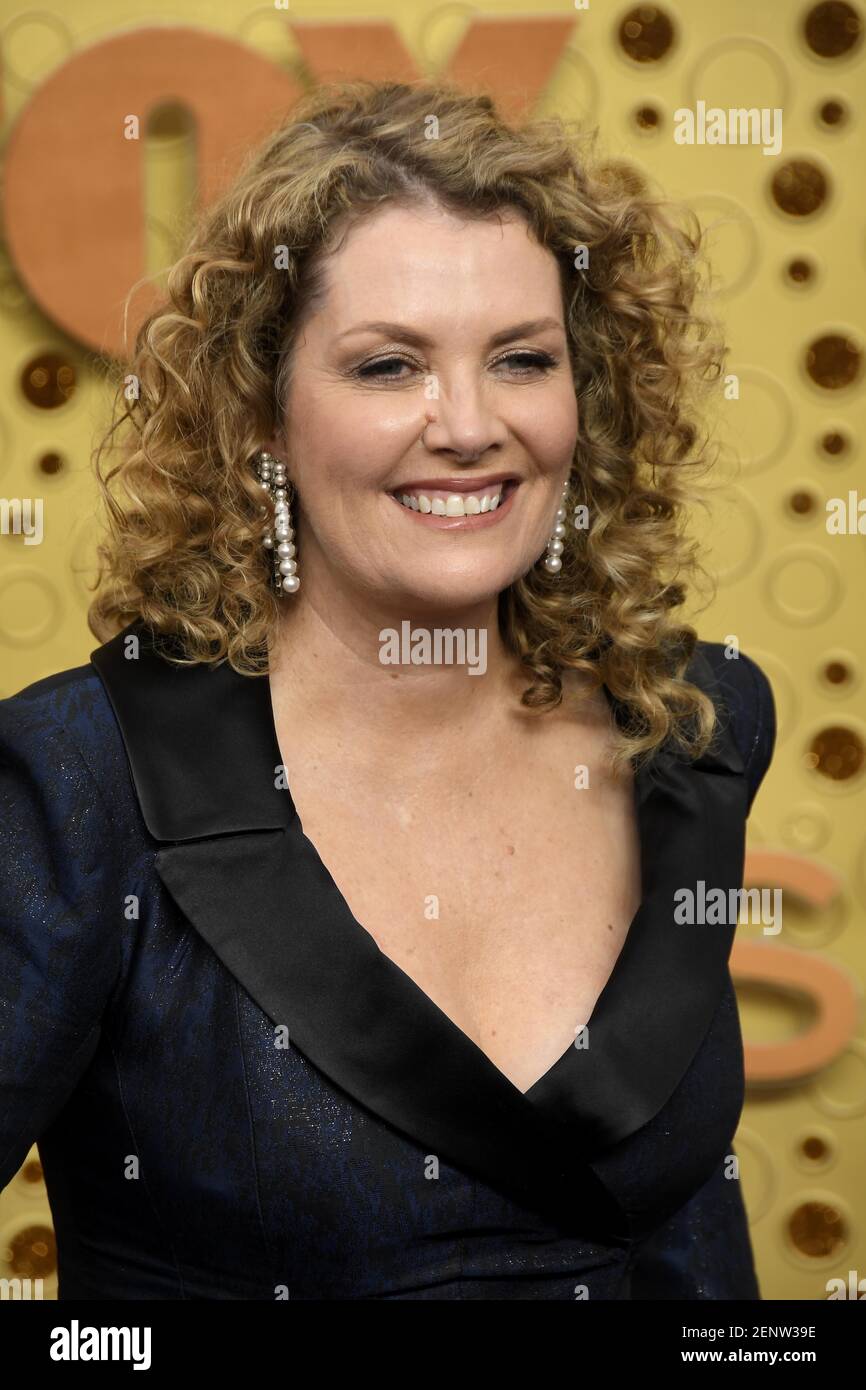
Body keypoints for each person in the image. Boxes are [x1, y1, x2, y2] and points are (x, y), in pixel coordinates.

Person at [0, 79, 775, 1299]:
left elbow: (681, 1244)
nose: (466, 425)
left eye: (521, 358)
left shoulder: (685, 722)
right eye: (387, 367)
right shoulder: (80, 774)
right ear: (261, 412)